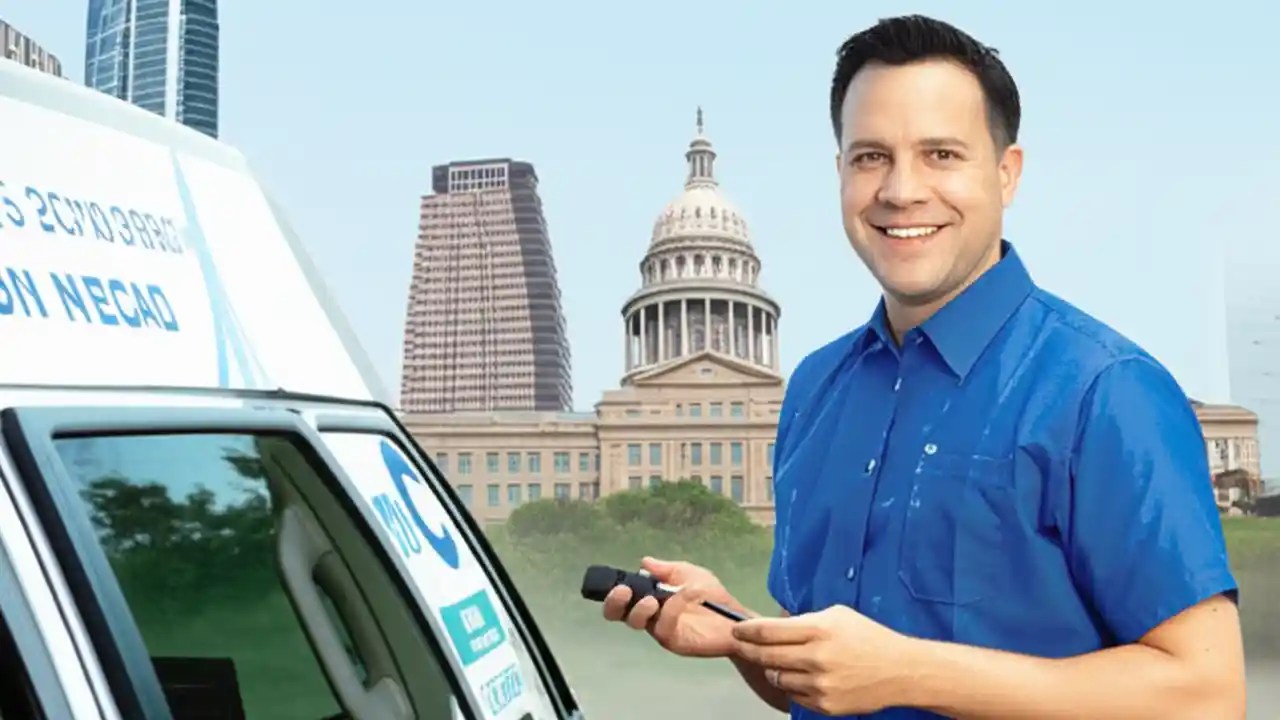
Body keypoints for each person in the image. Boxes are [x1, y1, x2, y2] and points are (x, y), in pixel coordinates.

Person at [600, 13, 1247, 719]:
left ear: (1007, 174)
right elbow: (830, 686)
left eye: (940, 154)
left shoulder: (1106, 390)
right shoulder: (815, 391)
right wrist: (737, 633)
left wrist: (909, 673)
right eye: (871, 156)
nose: (901, 191)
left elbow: (1206, 697)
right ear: (841, 173)